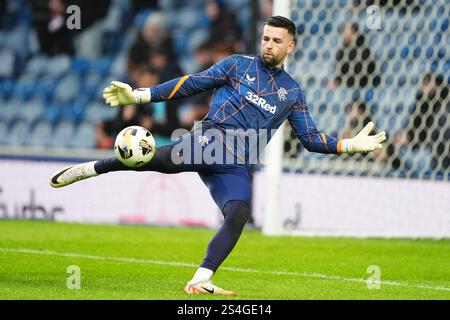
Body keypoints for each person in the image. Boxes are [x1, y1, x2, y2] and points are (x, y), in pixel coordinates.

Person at [49, 16, 386, 296]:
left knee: (239, 213)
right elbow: (193, 83)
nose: (268, 44)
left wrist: (348, 145)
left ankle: (201, 277)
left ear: (290, 46)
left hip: (238, 164)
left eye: (275, 40)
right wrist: (140, 96)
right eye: (265, 38)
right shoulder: (237, 66)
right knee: (157, 160)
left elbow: (310, 138)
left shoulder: (292, 92)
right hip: (210, 142)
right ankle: (93, 167)